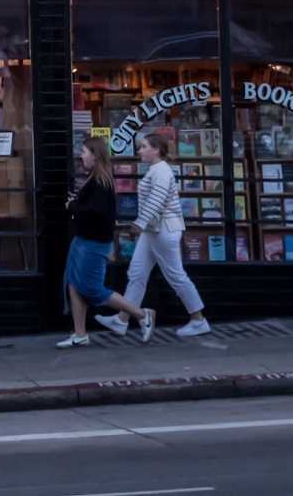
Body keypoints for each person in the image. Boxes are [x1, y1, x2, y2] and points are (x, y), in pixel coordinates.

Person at [99, 129, 210, 340]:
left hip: (163, 230)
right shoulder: (156, 169)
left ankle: (198, 320)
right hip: (154, 230)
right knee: (137, 274)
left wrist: (139, 223)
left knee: (176, 276)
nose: (139, 150)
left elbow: (156, 200)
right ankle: (122, 319)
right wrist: (142, 225)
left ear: (156, 150)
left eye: (143, 147)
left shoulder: (161, 170)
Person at [58, 135, 151, 348]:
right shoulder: (95, 179)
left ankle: (141, 314)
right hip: (83, 240)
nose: (81, 155)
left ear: (95, 155)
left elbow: (96, 212)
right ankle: (80, 334)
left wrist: (72, 206)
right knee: (73, 284)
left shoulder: (100, 182)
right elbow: (91, 209)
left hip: (93, 242)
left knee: (92, 288)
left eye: (84, 152)